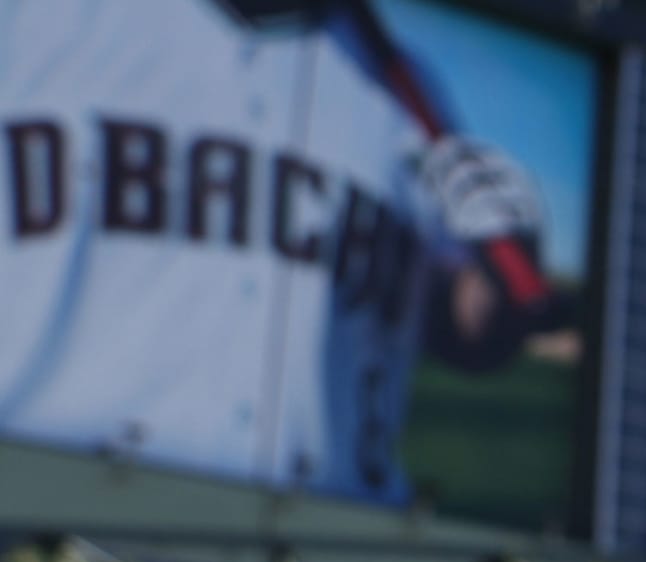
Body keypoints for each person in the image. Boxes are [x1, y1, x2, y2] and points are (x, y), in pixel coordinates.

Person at [0, 0, 566, 501]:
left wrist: (510, 263)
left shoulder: (404, 87)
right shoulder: (29, 19)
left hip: (328, 549)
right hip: (46, 536)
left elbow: (462, 326)